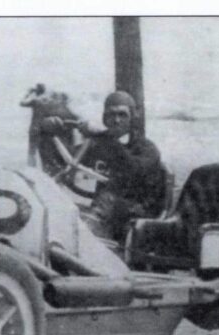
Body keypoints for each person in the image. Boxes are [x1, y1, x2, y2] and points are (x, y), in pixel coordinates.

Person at [61, 90, 165, 241]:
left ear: (132, 118)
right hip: (105, 207)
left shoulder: (147, 148)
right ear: (105, 118)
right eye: (111, 115)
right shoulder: (99, 145)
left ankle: (85, 242)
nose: (116, 120)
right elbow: (68, 161)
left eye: (122, 115)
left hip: (139, 211)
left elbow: (133, 169)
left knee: (97, 211)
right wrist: (50, 131)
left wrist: (105, 135)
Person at [20, 83, 49, 166]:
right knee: (44, 150)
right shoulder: (48, 100)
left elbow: (22, 103)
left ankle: (32, 168)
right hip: (46, 127)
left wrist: (28, 93)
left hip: (35, 127)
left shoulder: (35, 100)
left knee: (32, 150)